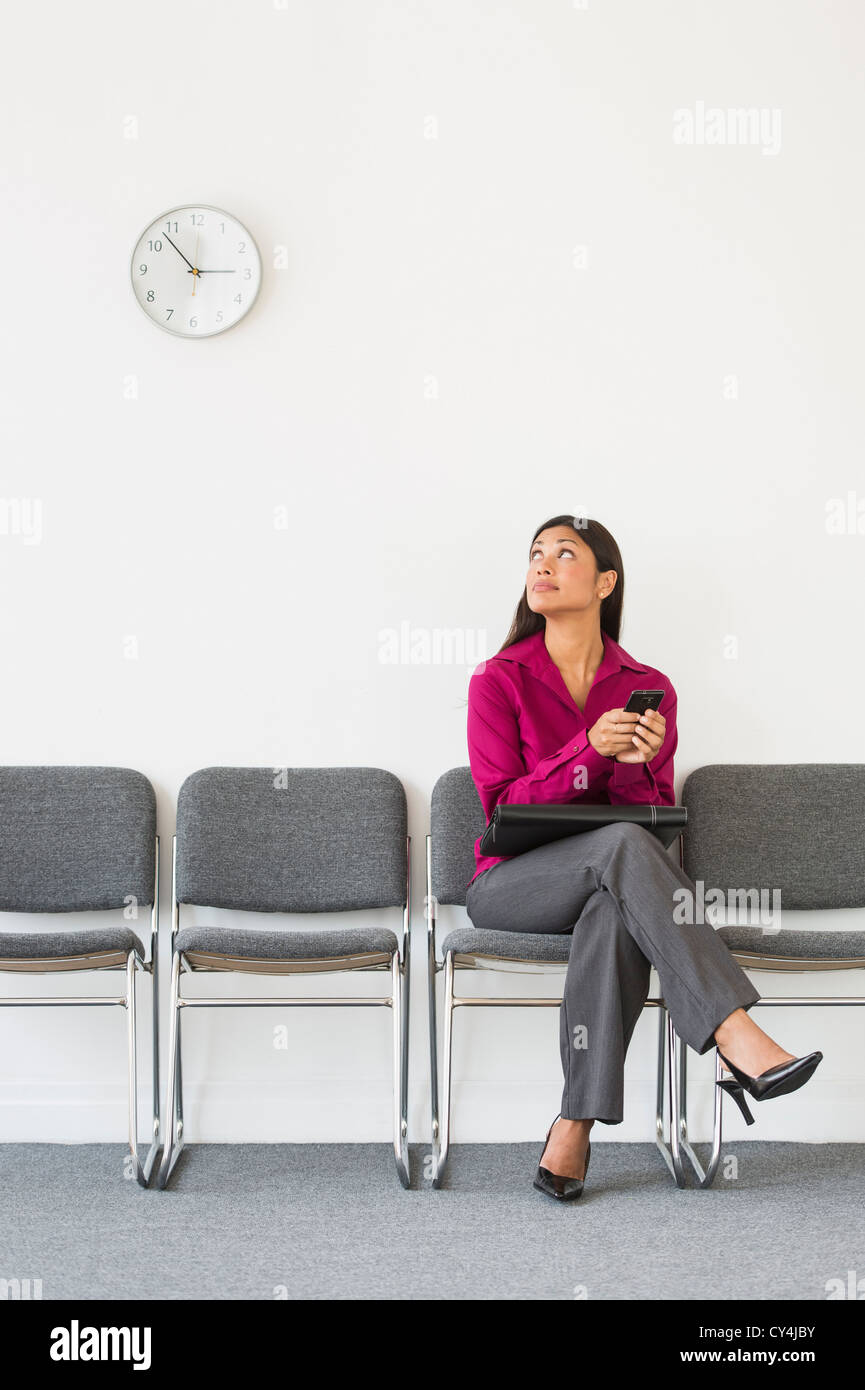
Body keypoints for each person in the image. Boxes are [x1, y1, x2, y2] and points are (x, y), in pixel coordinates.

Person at [465, 513, 822, 1201]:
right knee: (620, 855)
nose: (541, 564)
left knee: (613, 907)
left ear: (605, 580)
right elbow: (501, 809)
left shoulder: (646, 683)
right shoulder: (497, 680)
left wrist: (632, 762)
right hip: (510, 881)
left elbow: (648, 820)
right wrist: (585, 752)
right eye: (535, 554)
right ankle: (732, 1029)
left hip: (612, 877)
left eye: (562, 554)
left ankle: (572, 1125)